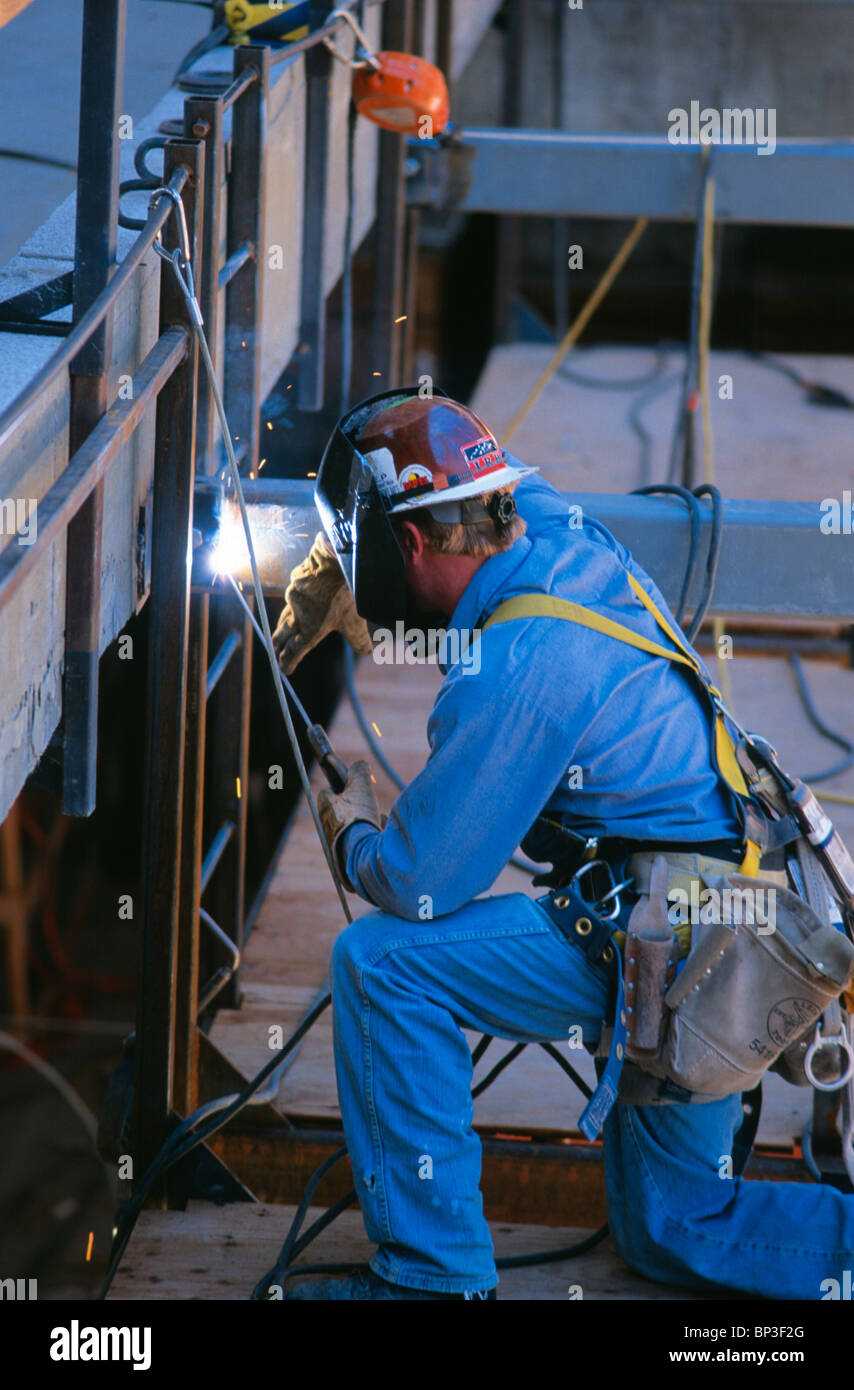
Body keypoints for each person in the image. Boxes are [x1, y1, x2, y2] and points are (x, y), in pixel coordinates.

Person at [271, 388, 854, 1301]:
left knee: (383, 965)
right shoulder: (546, 524)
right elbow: (467, 478)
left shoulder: (518, 668)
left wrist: (350, 836)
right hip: (729, 909)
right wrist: (344, 548)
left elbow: (423, 881)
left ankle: (432, 1283)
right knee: (674, 1227)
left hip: (676, 952)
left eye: (372, 552)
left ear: (411, 546)